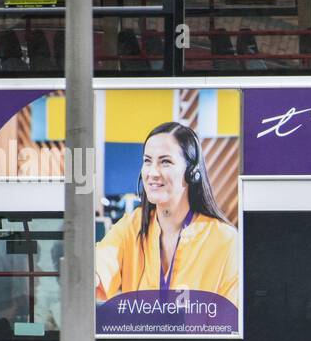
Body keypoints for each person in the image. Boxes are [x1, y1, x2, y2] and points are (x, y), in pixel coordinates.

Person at [94, 121, 240, 302]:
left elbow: (234, 319)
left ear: (192, 172)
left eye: (165, 162)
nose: (152, 172)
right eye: (148, 161)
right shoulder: (131, 226)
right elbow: (100, 263)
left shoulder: (224, 240)